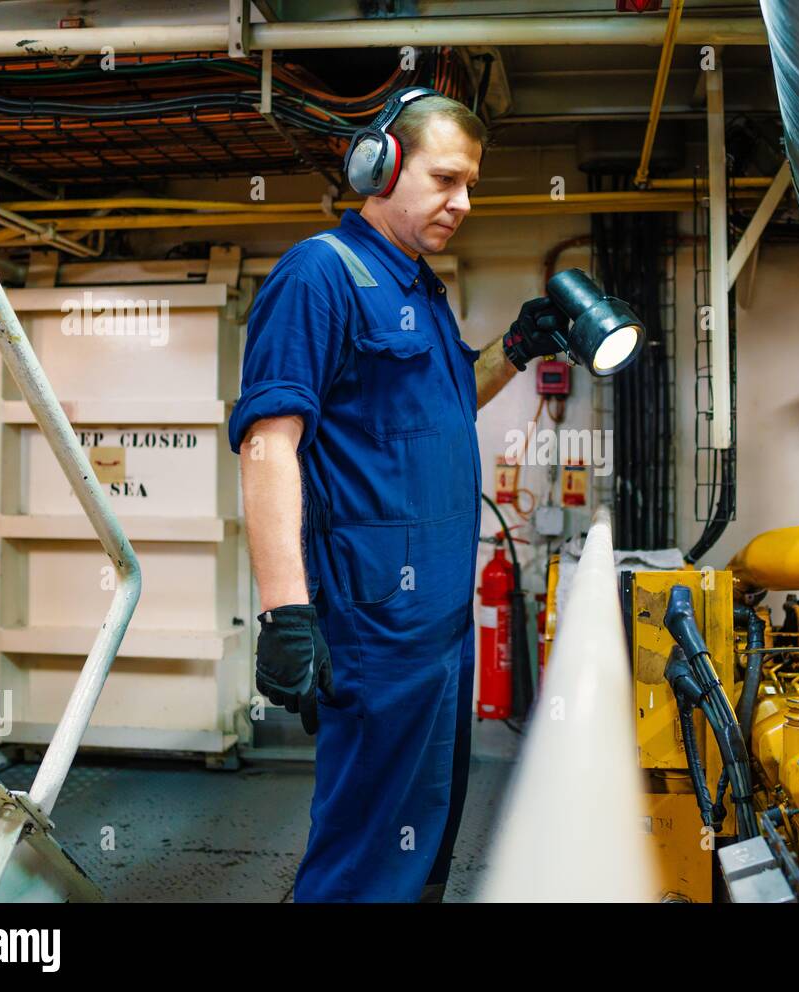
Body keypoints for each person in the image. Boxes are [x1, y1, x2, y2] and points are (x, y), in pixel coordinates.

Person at [228, 87, 570, 903]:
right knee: (365, 853)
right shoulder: (321, 275)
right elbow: (269, 444)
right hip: (376, 628)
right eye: (447, 179)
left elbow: (446, 404)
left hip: (440, 624)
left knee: (421, 841)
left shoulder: (418, 288)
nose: (463, 202)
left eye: (472, 186)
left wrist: (516, 349)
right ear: (380, 166)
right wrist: (286, 613)